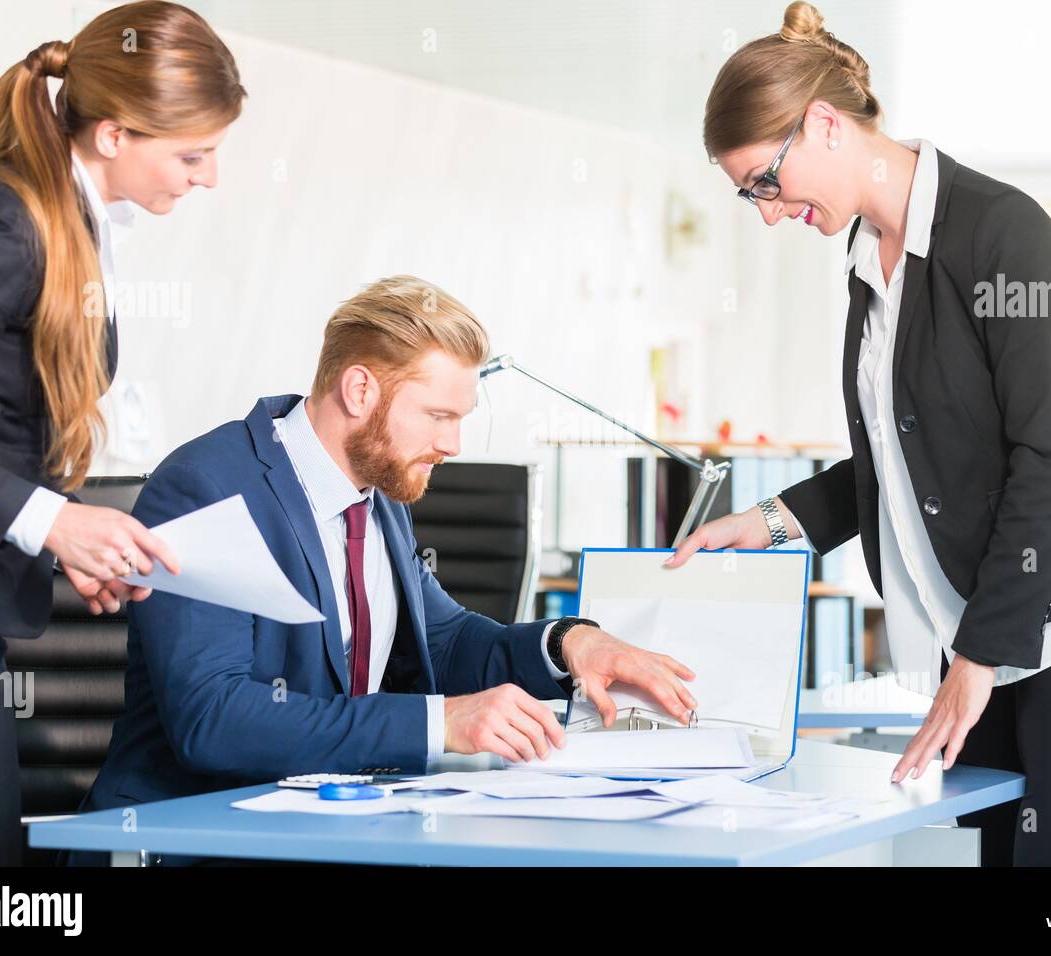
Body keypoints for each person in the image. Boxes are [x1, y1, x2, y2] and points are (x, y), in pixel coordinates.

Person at [666, 1, 1051, 866]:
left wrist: (977, 660)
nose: (763, 210)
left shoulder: (1009, 234)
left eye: (761, 180)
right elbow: (892, 460)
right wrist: (771, 525)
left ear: (823, 125)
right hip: (982, 625)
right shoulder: (870, 262)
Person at [75, 276, 698, 863]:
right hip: (193, 840)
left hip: (330, 831)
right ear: (360, 390)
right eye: (438, 416)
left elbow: (444, 639)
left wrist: (569, 643)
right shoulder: (207, 486)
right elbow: (213, 719)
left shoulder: (376, 495)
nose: (454, 445)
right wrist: (441, 722)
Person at [0, 1, 245, 865]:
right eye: (193, 153)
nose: (209, 177)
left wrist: (62, 537)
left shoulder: (67, 226)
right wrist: (51, 520)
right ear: (113, 135)